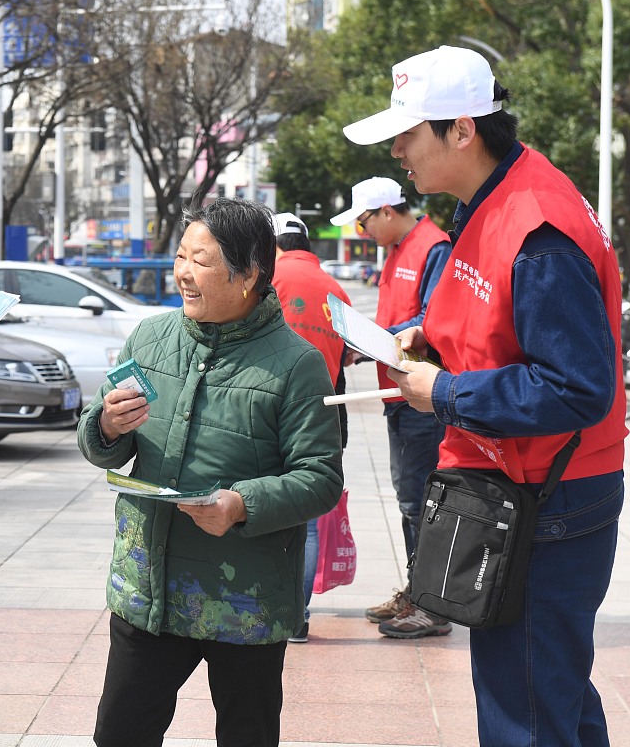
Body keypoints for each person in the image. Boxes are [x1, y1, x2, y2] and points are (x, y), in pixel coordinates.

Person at [343, 45, 627, 745]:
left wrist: (443, 390)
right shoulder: (486, 201)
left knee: (524, 707)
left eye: (407, 134)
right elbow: (492, 323)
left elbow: (576, 386)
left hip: (547, 495)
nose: (399, 153)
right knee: (548, 690)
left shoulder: (538, 226)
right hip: (517, 479)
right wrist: (424, 341)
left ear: (462, 129)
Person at [77, 197, 344, 747]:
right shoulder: (150, 339)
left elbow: (320, 477)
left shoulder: (296, 364)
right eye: (180, 256)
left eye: (200, 260)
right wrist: (105, 426)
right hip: (149, 589)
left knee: (246, 734)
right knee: (120, 734)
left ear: (249, 274)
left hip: (245, 598)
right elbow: (102, 448)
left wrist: (242, 504)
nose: (182, 272)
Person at [330, 177, 452, 639]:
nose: (363, 233)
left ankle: (431, 605)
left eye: (364, 222)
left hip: (421, 397)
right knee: (409, 501)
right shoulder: (400, 250)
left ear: (385, 211)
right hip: (398, 393)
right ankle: (416, 591)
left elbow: (434, 320)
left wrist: (369, 344)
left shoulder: (433, 247)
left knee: (419, 501)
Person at [269, 211, 350, 643]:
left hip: (271, 407)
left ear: (275, 244)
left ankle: (265, 604)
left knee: (262, 502)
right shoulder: (337, 289)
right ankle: (298, 617)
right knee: (310, 517)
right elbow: (348, 356)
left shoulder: (268, 278)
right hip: (324, 409)